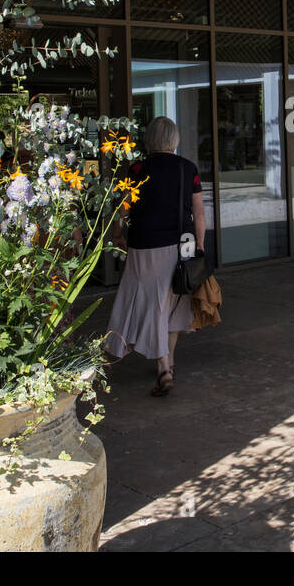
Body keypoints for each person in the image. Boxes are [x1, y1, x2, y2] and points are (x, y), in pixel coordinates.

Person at [105, 116, 206, 397]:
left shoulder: (137, 168)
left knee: (154, 304)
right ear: (174, 140)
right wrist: (200, 244)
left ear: (149, 140)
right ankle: (168, 363)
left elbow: (123, 208)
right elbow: (199, 212)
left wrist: (117, 234)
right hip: (183, 245)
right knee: (173, 305)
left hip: (146, 245)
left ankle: (163, 367)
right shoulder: (188, 168)